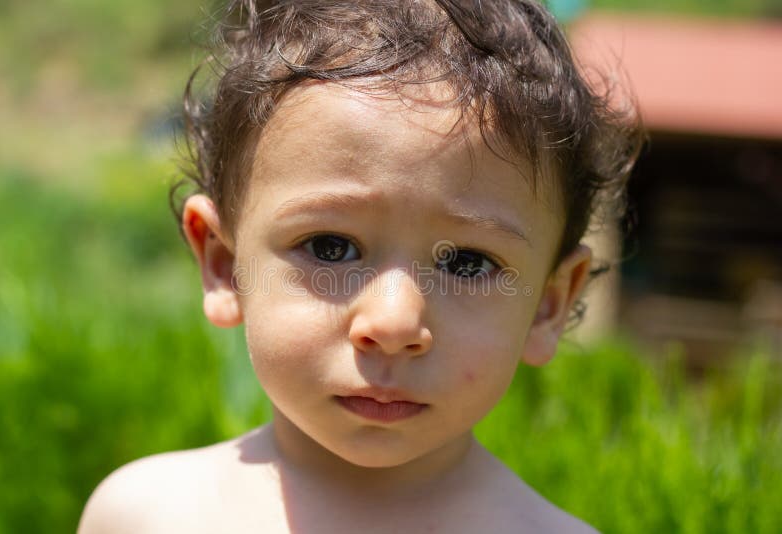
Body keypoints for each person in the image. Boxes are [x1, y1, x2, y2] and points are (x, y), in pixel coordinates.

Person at [79, 1, 642, 532]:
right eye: (329, 247)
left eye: (469, 262)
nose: (394, 324)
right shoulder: (146, 515)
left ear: (548, 302)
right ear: (226, 265)